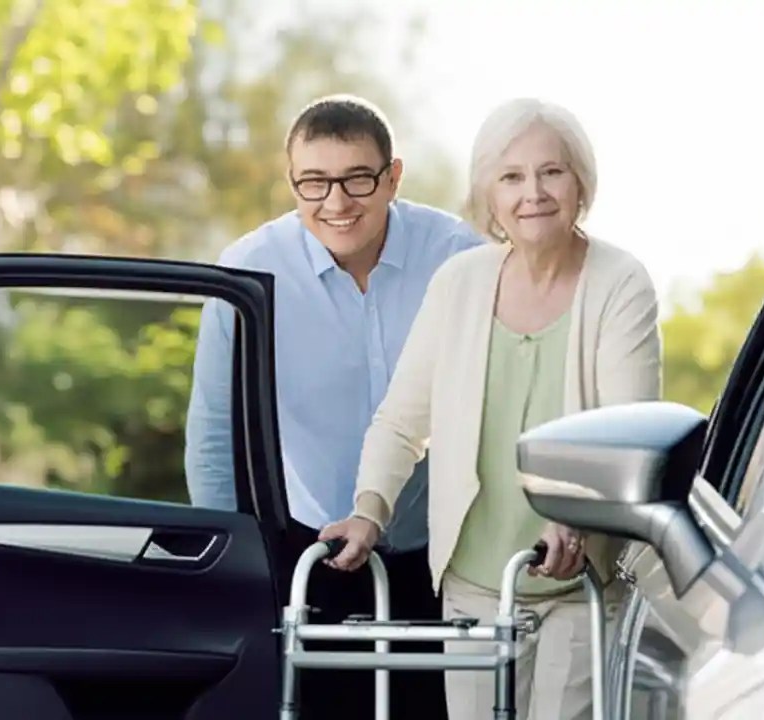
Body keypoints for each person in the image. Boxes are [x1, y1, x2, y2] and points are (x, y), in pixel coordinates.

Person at [319, 97, 663, 720]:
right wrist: (369, 511)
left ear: (579, 182)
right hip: (474, 581)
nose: (533, 192)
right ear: (490, 195)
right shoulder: (460, 282)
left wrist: (577, 519)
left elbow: (627, 435)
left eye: (551, 172)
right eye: (511, 177)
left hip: (577, 580)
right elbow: (402, 420)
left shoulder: (620, 282)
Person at [184, 94, 483, 719]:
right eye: (313, 183)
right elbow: (215, 435)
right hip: (306, 548)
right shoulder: (248, 272)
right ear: (291, 181)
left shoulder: (459, 258)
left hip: (439, 551)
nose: (336, 203)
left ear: (393, 177)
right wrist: (228, 572)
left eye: (357, 179)